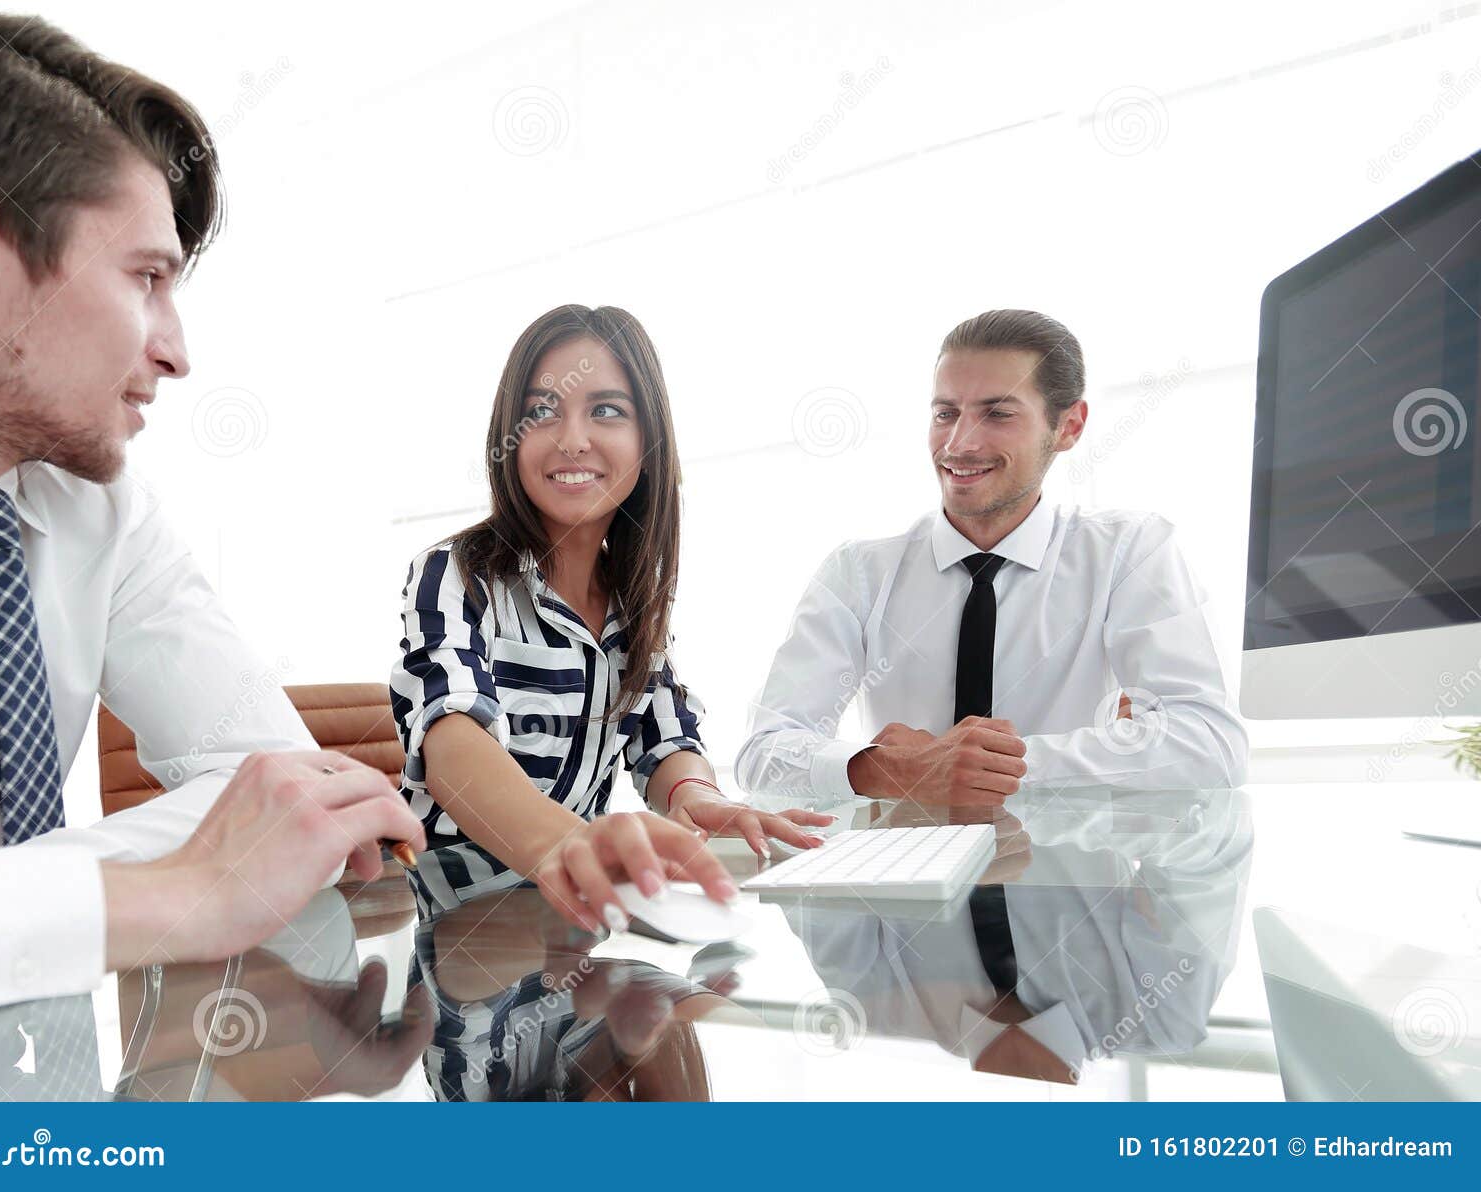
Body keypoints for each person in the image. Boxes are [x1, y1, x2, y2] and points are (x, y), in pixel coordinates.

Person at [0, 0, 423, 1024]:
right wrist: (155, 889)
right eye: (146, 278)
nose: (177, 351)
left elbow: (276, 795)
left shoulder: (100, 511)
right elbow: (229, 849)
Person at [391, 304, 830, 930]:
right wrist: (573, 846)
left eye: (606, 410)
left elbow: (667, 738)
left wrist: (698, 796)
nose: (572, 438)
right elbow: (454, 742)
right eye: (540, 411)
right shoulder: (457, 573)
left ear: (648, 444)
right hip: (457, 926)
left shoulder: (634, 601)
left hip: (574, 927)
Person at [735, 308, 1249, 807]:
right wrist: (895, 769)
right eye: (945, 413)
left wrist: (990, 768)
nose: (959, 443)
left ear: (1069, 426)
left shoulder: (1128, 552)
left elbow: (1210, 745)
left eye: (997, 413)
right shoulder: (858, 572)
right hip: (906, 877)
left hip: (1071, 879)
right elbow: (763, 753)